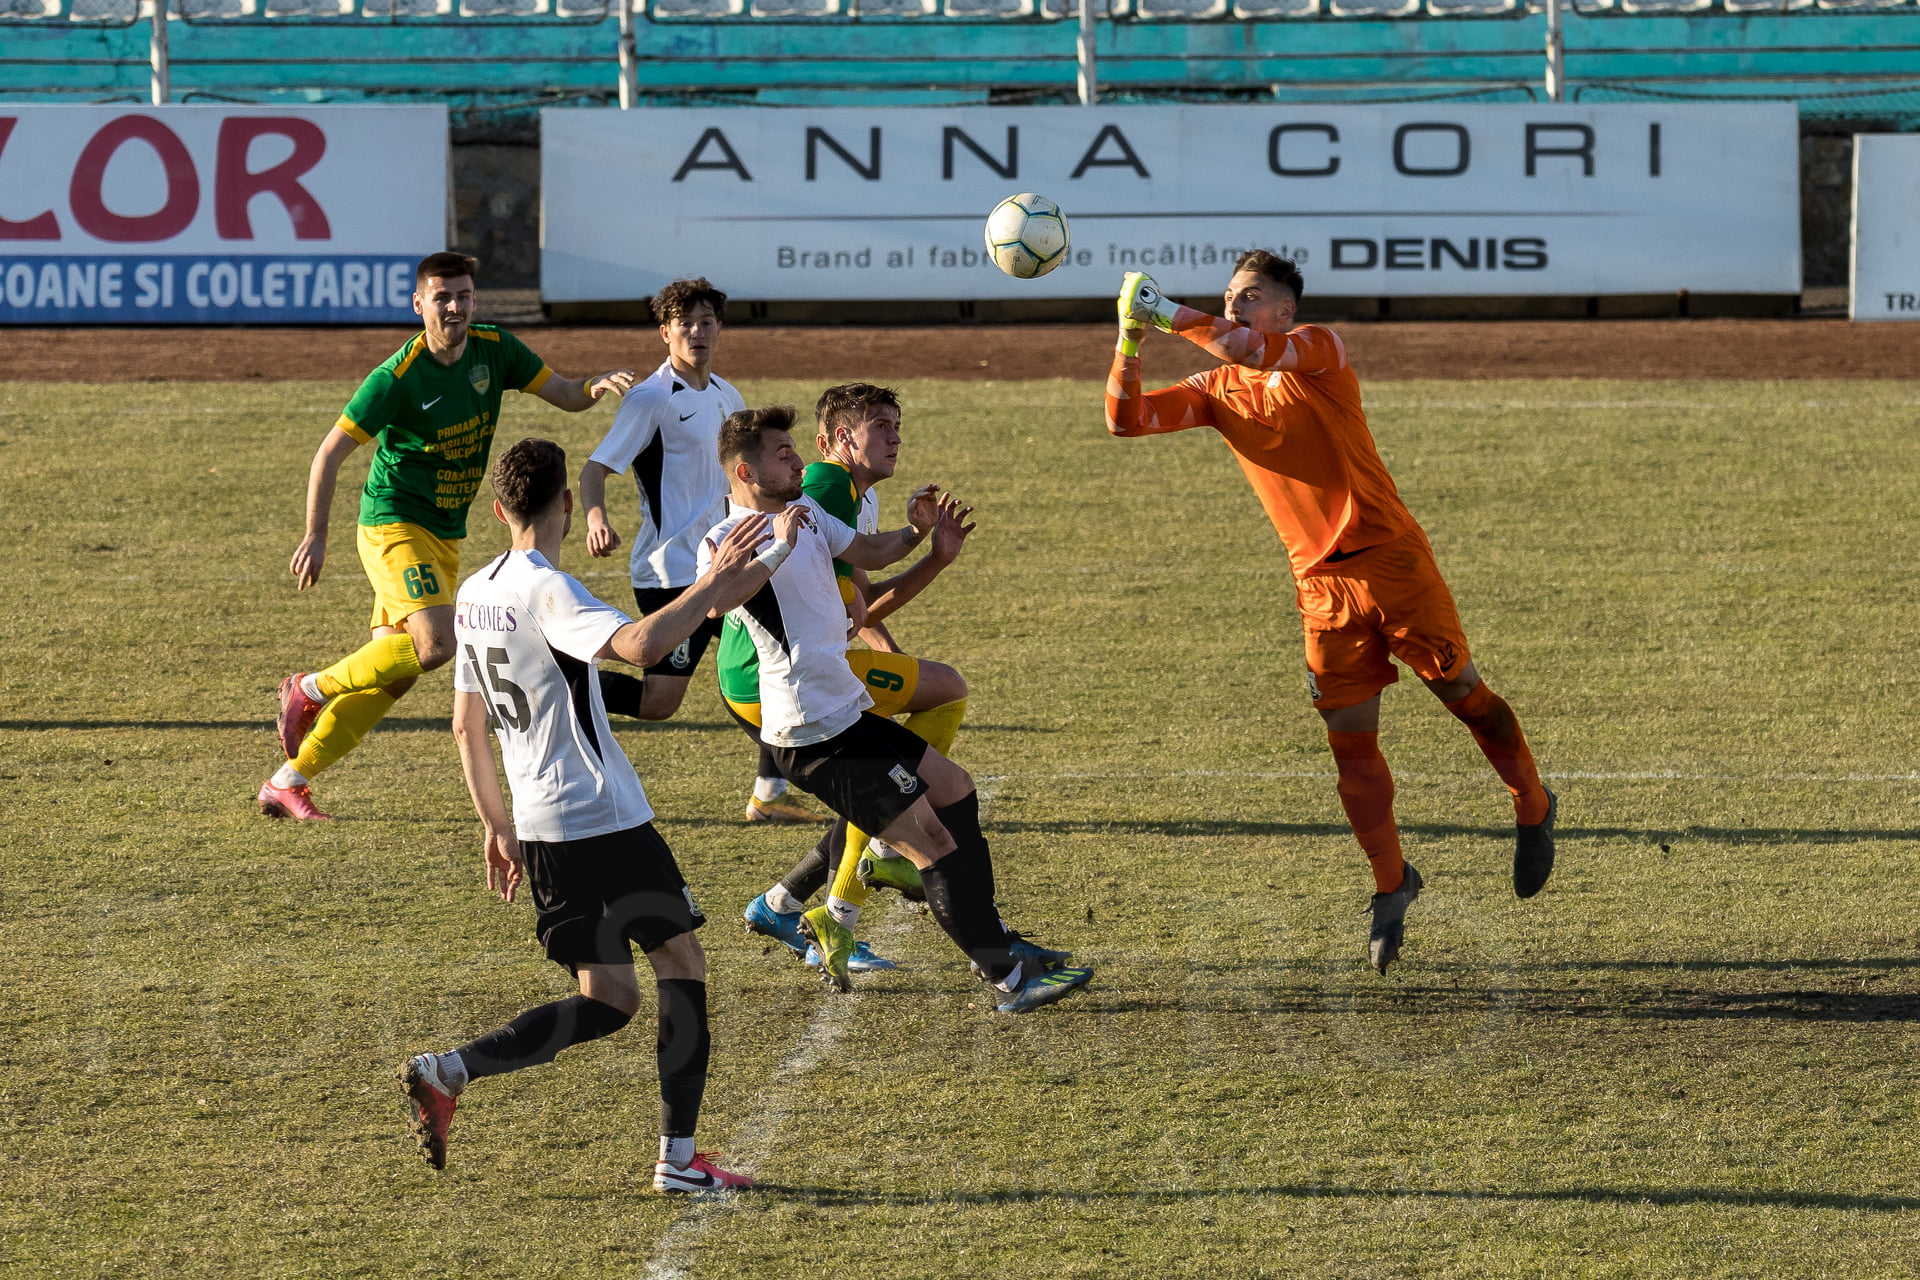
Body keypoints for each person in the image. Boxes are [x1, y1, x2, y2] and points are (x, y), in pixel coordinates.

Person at [1109, 253, 1556, 975]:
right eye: (1229, 296)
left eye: (1250, 296)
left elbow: (1245, 346)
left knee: (1467, 700)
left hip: (1392, 564)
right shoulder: (1216, 389)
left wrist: (1163, 310)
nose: (1234, 306)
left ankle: (1532, 803)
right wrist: (1129, 339)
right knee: (1350, 746)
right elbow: (1126, 421)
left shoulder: (1318, 350)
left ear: (1285, 310)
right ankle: (1391, 885)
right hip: (1319, 590)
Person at [399, 437, 791, 1190]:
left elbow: (464, 724)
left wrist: (496, 824)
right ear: (567, 506)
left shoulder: (476, 590)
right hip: (601, 817)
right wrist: (709, 584)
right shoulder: (550, 589)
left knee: (609, 999)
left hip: (543, 829)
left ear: (499, 507)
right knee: (682, 963)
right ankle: (679, 1161)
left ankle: (448, 1071)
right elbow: (641, 647)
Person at [699, 406, 1091, 1012]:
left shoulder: (804, 514)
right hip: (810, 733)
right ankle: (1007, 980)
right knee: (929, 842)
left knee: (955, 788)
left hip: (847, 712)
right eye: (784, 455)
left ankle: (1003, 944)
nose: (800, 462)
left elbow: (867, 550)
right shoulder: (723, 541)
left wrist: (919, 536)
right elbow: (716, 604)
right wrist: (774, 551)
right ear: (745, 470)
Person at [260, 251, 635, 821]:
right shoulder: (398, 376)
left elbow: (562, 392)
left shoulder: (495, 349)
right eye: (442, 297)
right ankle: (308, 689)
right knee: (438, 643)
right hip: (394, 522)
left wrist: (594, 385)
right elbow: (329, 453)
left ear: (474, 301)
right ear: (419, 304)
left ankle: (288, 781)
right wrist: (316, 534)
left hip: (444, 534)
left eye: (463, 295)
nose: (454, 306)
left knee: (398, 675)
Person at [730, 384, 976, 980]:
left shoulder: (857, 501)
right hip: (768, 678)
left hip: (805, 673)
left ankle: (786, 903)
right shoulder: (824, 487)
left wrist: (932, 559)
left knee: (883, 770)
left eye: (897, 425)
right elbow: (809, 594)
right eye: (880, 425)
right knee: (939, 700)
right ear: (839, 439)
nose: (895, 437)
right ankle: (852, 897)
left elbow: (863, 607)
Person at [581, 277, 828, 827]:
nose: (696, 332)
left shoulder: (727, 395)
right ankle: (569, 675)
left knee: (777, 661)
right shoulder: (650, 398)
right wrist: (597, 517)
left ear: (719, 328)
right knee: (660, 702)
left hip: (731, 560)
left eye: (706, 322)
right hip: (672, 571)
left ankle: (769, 792)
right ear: (665, 331)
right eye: (684, 323)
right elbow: (596, 467)